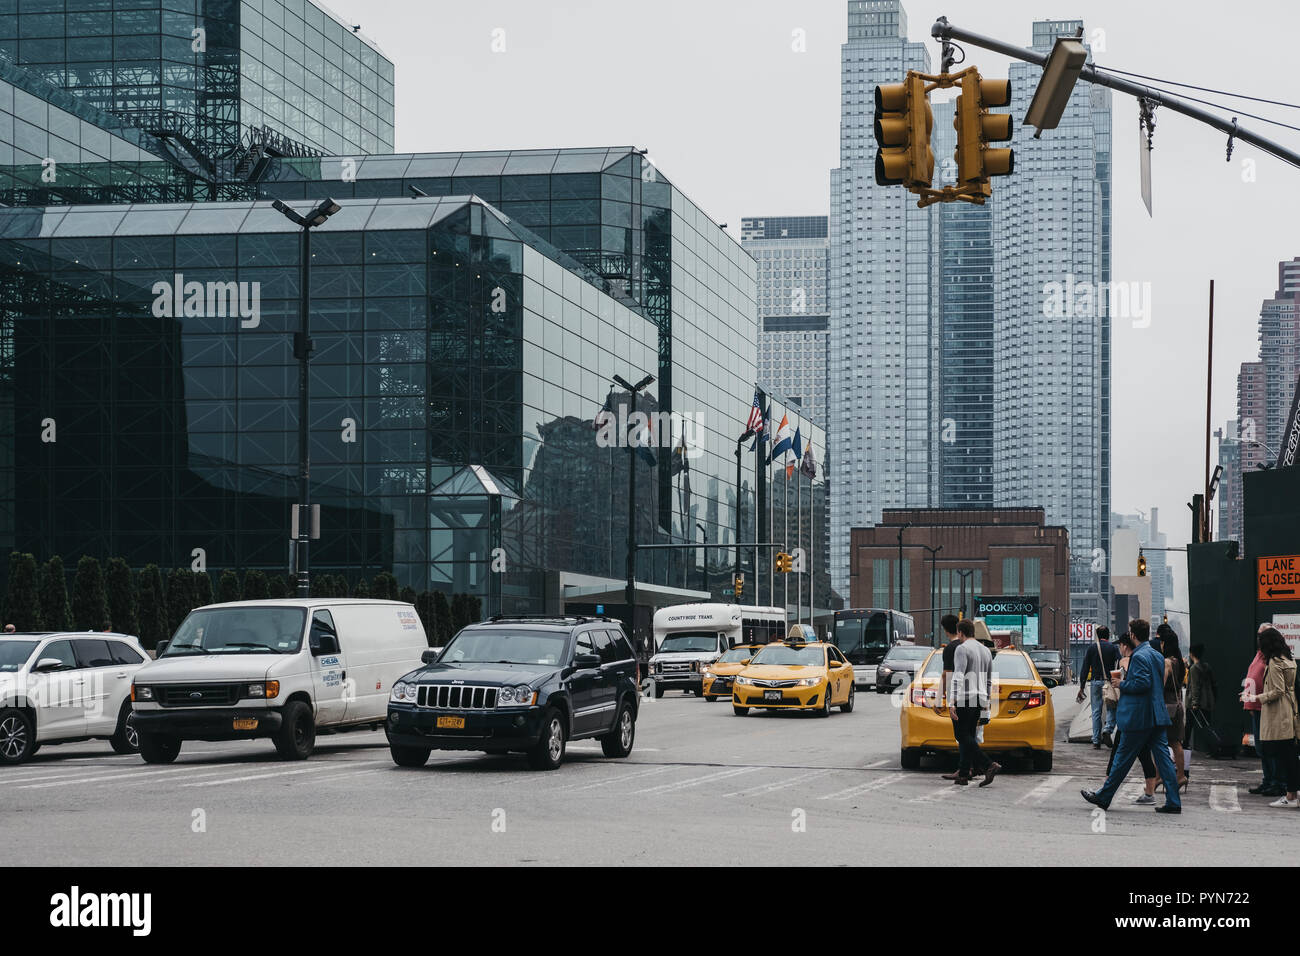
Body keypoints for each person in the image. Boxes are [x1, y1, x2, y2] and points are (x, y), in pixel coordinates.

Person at [1081, 619, 1182, 813]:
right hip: (1156, 715)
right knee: (1163, 760)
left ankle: (1104, 796)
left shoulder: (1139, 656)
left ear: (1133, 635)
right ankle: (1173, 802)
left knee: (1122, 759)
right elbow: (1155, 684)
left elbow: (1142, 683)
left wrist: (1122, 684)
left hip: (1139, 717)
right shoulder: (1156, 655)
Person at [1246, 626, 1300, 808]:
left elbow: (1277, 690)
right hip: (1290, 710)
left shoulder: (1275, 662)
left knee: (1281, 754)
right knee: (1290, 754)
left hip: (1278, 713)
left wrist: (1256, 697)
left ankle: (1290, 795)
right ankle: (1292, 793)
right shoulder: (1289, 659)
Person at [1106, 633, 1160, 804]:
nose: (1119, 649)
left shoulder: (1128, 660)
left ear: (1125, 645)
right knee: (1145, 754)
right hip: (1142, 714)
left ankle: (1106, 790)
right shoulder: (1150, 657)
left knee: (1118, 754)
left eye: (1120, 645)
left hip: (1130, 714)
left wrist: (1119, 683)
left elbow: (1137, 684)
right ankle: (1150, 792)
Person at [947, 619, 999, 787]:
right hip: (979, 698)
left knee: (961, 735)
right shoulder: (985, 651)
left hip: (965, 697)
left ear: (960, 633)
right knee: (968, 734)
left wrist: (952, 701)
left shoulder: (962, 649)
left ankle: (988, 764)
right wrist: (986, 702)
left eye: (958, 634)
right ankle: (962, 775)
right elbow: (989, 679)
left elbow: (958, 675)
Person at [1243, 631, 1284, 797]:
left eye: (1262, 635)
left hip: (1265, 707)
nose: (1259, 638)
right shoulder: (1260, 655)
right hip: (1258, 707)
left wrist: (1256, 699)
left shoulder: (1273, 659)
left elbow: (1278, 689)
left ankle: (1276, 782)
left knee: (1269, 747)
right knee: (1262, 748)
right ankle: (1268, 781)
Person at [1077, 625, 1118, 749]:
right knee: (1112, 707)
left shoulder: (1092, 648)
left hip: (1095, 682)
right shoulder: (1113, 648)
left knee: (1096, 711)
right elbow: (1119, 664)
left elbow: (1085, 668)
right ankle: (1107, 729)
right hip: (1109, 683)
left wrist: (1082, 686)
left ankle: (1096, 740)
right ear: (1108, 635)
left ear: (1097, 636)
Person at [1160, 630, 1189, 791]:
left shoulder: (1167, 662)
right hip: (1177, 705)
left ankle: (1165, 777)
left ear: (1165, 643)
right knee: (1175, 742)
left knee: (1162, 743)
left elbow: (1160, 684)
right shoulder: (1179, 661)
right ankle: (1180, 776)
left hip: (1167, 707)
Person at [1186, 643, 1216, 751]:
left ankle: (1185, 745)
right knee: (1206, 725)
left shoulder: (1194, 668)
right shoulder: (1207, 667)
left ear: (1191, 654)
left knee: (1189, 725)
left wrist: (1194, 702)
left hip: (1195, 703)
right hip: (1207, 701)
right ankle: (1212, 748)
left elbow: (1195, 687)